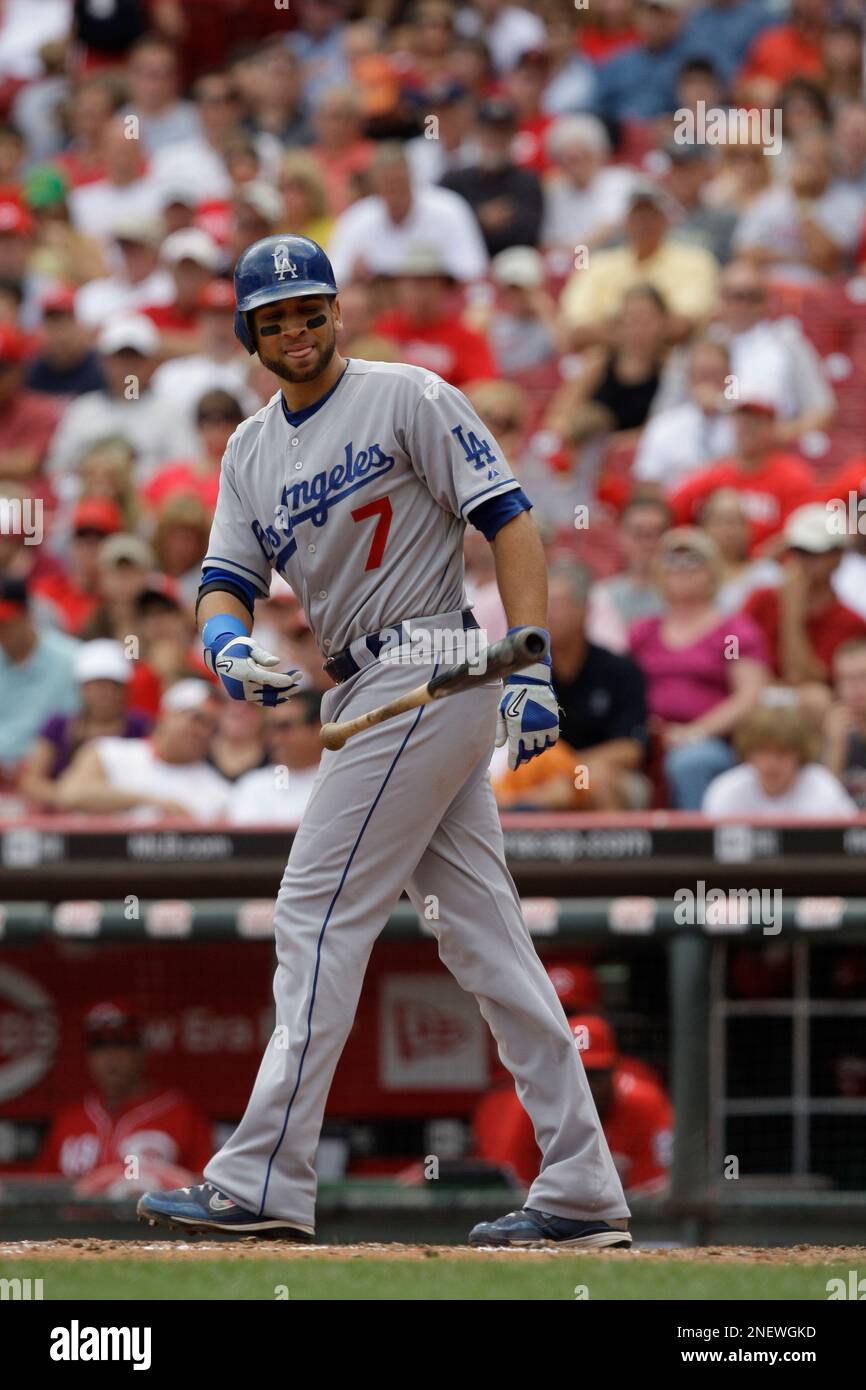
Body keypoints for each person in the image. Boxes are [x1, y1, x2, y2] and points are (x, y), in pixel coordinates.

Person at [137, 232, 631, 1250]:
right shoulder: (249, 449)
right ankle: (582, 1186)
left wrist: (529, 660)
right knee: (483, 937)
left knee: (314, 911)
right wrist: (226, 646)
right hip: (363, 685)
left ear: (334, 313)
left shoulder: (406, 393)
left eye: (309, 309)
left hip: (428, 662)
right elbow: (222, 580)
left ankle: (263, 1174)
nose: (296, 329)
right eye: (274, 319)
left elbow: (510, 518)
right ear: (251, 335)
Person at [630, 526, 769, 808]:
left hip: (717, 742)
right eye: (671, 561)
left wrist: (695, 732)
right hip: (649, 740)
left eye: (693, 560)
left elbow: (748, 697)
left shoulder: (733, 630)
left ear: (712, 572)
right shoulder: (643, 631)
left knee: (691, 761)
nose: (681, 569)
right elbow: (624, 688)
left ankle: (696, 849)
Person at [492, 562, 650, 810]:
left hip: (606, 773)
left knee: (595, 777)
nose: (547, 614)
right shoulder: (523, 673)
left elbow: (630, 750)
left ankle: (611, 849)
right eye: (542, 605)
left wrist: (565, 769)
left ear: (585, 609)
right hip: (536, 774)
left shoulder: (620, 670)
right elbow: (508, 744)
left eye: (555, 603)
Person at [474, 1014, 673, 1196]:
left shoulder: (644, 1104)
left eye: (595, 1076)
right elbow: (515, 1194)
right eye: (577, 1074)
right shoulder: (533, 1107)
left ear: (615, 1072)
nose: (586, 1087)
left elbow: (653, 1197)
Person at [33, 1002, 214, 1189]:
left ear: (143, 1050)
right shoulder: (69, 1120)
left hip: (151, 1218)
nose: (109, 1058)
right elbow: (41, 1193)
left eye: (121, 1044)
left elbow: (205, 1190)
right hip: (78, 1218)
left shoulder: (182, 1115)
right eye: (99, 1045)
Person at [559, 181, 720, 350]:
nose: (644, 223)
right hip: (608, 368)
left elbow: (682, 326)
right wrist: (649, 331)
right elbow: (575, 332)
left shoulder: (695, 261)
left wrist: (609, 328)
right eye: (637, 216)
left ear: (666, 219)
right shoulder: (599, 264)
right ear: (625, 221)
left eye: (651, 215)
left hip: (670, 365)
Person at [54, 678, 230, 821]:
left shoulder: (217, 791)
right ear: (167, 714)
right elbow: (71, 794)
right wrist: (151, 801)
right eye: (196, 718)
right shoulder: (107, 751)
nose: (203, 732)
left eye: (212, 727)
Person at [670, 397, 817, 554]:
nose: (748, 427)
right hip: (716, 569)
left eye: (756, 421)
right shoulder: (714, 475)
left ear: (772, 427)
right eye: (742, 420)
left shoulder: (793, 477)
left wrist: (756, 564)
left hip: (771, 570)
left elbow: (801, 533)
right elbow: (673, 512)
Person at [328, 143, 488, 284]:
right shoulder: (357, 219)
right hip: (380, 310)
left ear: (412, 178)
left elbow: (472, 273)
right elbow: (335, 280)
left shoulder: (448, 208)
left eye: (400, 183)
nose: (395, 193)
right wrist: (354, 276)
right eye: (388, 186)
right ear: (375, 187)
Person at [743, 503, 866, 686]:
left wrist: (792, 613)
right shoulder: (762, 599)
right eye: (798, 551)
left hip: (804, 707)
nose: (803, 561)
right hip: (755, 697)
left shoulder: (850, 623)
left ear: (838, 556)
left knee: (814, 698)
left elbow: (801, 678)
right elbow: (730, 651)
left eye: (814, 552)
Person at [19, 638, 150, 809]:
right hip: (64, 822)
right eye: (98, 685)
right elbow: (31, 781)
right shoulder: (58, 726)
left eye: (115, 686)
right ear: (82, 688)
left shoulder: (141, 727)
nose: (107, 693)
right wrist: (76, 799)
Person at [372, 247, 497, 389]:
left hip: (444, 408)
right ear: (398, 288)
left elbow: (484, 389)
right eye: (412, 283)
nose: (418, 291)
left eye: (426, 283)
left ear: (444, 287)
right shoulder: (383, 330)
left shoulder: (466, 338)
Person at [703, 703, 857, 818]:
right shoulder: (726, 790)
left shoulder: (824, 787)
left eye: (782, 754)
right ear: (748, 753)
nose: (772, 764)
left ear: (799, 755)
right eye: (763, 752)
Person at [440, 98, 544, 258]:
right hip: (462, 262)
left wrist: (470, 218)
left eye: (502, 132)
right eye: (488, 132)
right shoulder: (453, 180)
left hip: (512, 264)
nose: (495, 139)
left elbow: (525, 236)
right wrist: (479, 217)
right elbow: (444, 229)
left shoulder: (528, 182)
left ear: (512, 136)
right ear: (476, 134)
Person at [0, 576, 80, 774]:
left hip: (48, 774)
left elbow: (74, 731)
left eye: (4, 622)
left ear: (26, 615)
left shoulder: (72, 660)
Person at [633, 337, 736, 491]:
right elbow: (647, 481)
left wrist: (723, 405)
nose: (708, 384)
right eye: (702, 375)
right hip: (675, 504)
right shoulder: (664, 425)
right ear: (689, 379)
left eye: (716, 375)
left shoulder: (744, 422)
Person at [540, 113, 636, 253]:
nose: (576, 166)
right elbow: (548, 240)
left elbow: (612, 226)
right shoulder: (554, 192)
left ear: (598, 154)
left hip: (612, 255)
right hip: (570, 262)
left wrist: (577, 250)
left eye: (582, 156)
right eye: (568, 159)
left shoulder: (619, 180)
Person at [230, 692, 324, 824]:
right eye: (270, 728)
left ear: (317, 728)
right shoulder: (252, 785)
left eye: (284, 727)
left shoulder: (339, 783)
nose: (274, 737)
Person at [591, 495, 669, 631]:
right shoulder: (601, 596)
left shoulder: (689, 596)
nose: (648, 543)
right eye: (638, 533)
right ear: (620, 535)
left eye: (658, 533)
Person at [825, 639, 866, 808]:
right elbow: (824, 802)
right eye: (845, 679)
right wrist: (835, 745)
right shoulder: (830, 726)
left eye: (863, 677)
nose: (854, 687)